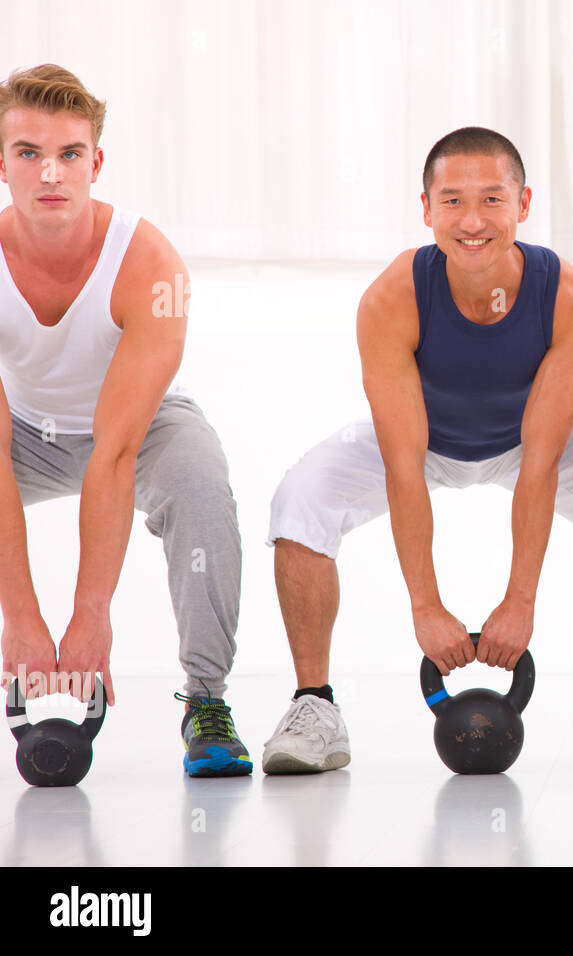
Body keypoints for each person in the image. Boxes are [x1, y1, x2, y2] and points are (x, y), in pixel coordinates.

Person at [262, 126, 573, 772]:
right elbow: (404, 463)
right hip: (423, 440)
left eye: (492, 199)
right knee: (300, 501)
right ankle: (314, 705)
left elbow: (540, 460)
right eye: (452, 201)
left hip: (525, 443)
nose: (473, 220)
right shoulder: (392, 297)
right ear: (426, 209)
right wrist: (425, 607)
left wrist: (521, 601)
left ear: (524, 203)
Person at [0, 65, 251, 776]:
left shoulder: (151, 264)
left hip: (140, 430)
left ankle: (206, 703)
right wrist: (21, 618)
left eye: (70, 154)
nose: (50, 172)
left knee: (203, 490)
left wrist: (91, 614)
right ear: (1, 162)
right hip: (24, 432)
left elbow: (116, 449)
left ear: (96, 163)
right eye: (28, 153)